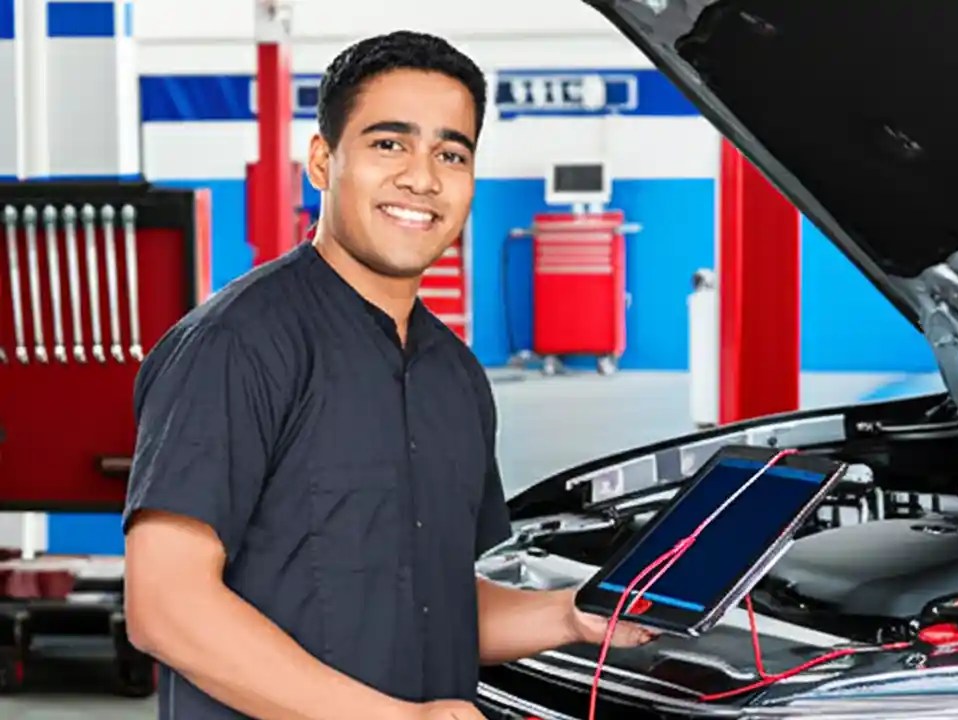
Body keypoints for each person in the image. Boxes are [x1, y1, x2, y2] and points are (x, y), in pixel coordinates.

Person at [122, 31, 653, 720]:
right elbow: (166, 607)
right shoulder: (236, 346)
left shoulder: (456, 377)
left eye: (450, 153)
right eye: (388, 143)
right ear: (322, 161)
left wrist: (570, 616)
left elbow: (438, 604)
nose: (423, 178)